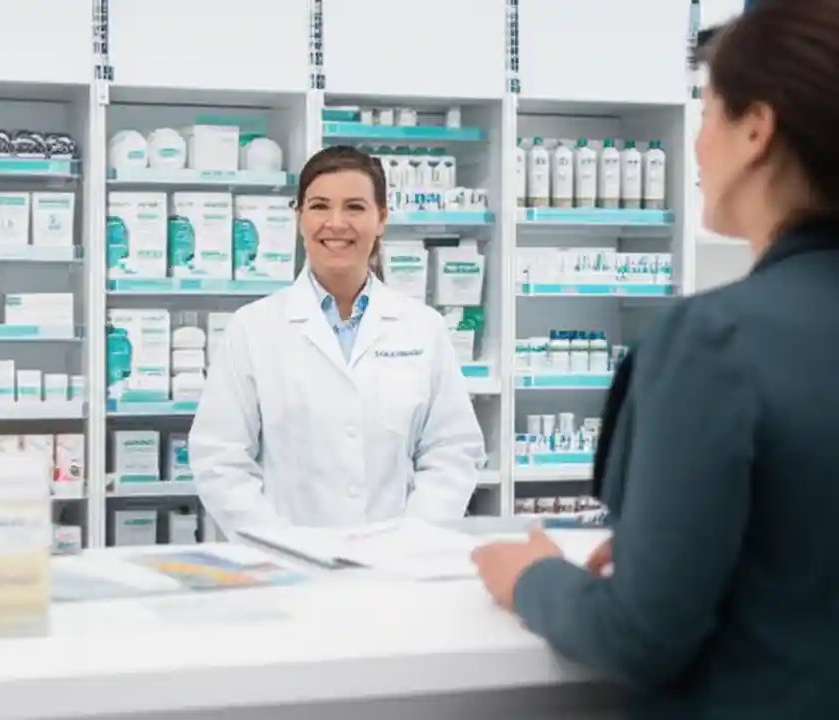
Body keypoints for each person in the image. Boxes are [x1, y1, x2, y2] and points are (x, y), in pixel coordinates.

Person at [471, 2, 839, 717]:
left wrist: (534, 578)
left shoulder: (715, 340)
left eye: (708, 115)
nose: (697, 146)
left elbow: (642, 636)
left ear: (756, 130)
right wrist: (670, 544)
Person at [190, 146, 486, 537]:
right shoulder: (252, 327)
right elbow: (220, 458)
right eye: (319, 206)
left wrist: (413, 537)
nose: (335, 223)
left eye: (355, 207)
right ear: (299, 217)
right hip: (289, 570)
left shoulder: (422, 327)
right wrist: (278, 543)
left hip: (395, 567)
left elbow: (452, 451)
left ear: (381, 218)